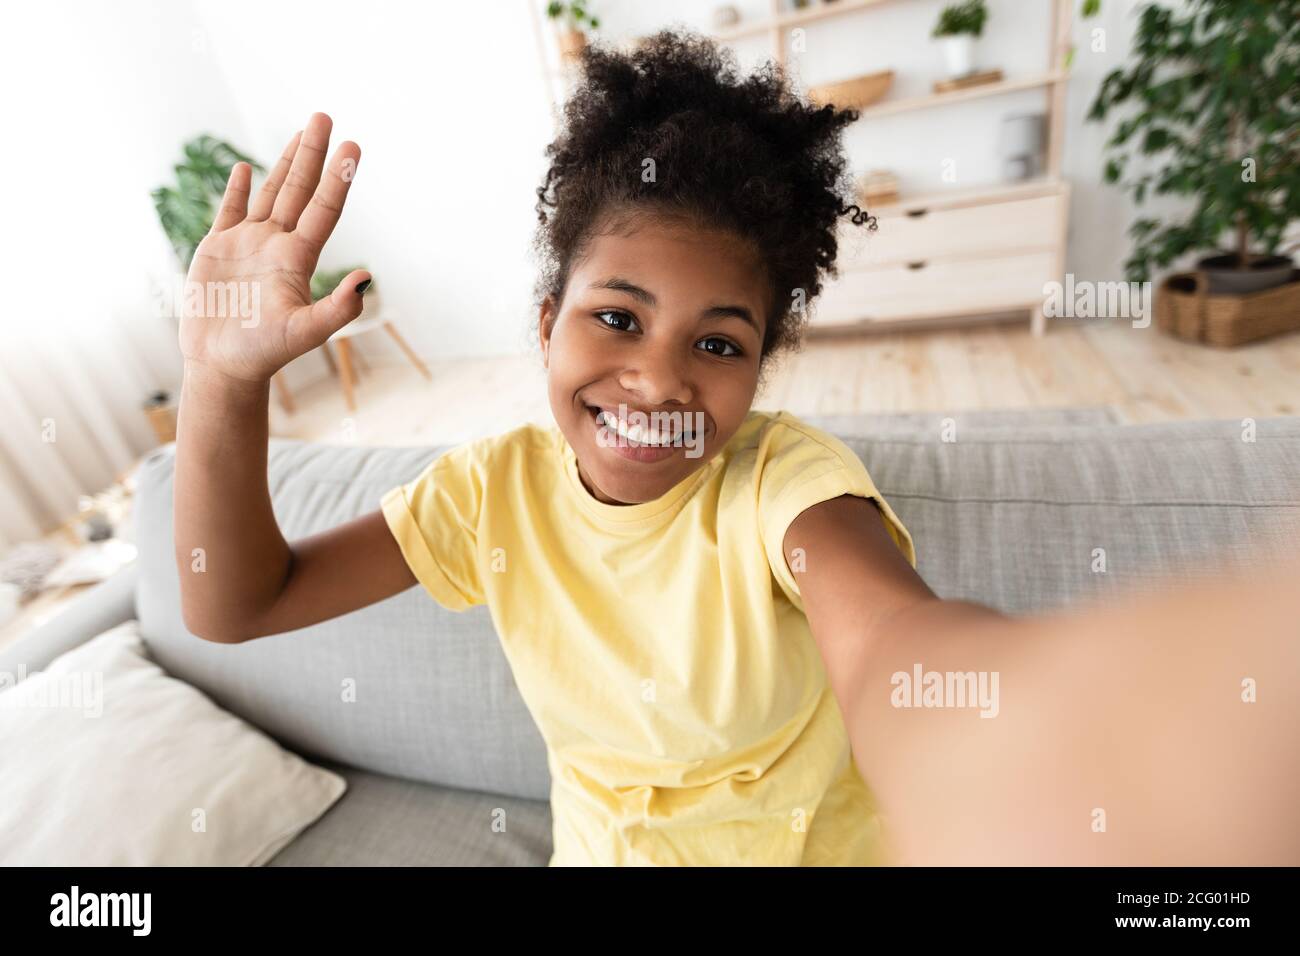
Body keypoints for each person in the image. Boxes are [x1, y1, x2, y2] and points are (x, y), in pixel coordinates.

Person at [174, 29, 1300, 866]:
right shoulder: (486, 496)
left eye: (717, 341)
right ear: (543, 322)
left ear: (761, 367)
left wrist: (1022, 738)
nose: (659, 378)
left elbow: (894, 645)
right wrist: (222, 382)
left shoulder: (782, 487)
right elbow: (235, 603)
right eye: (615, 316)